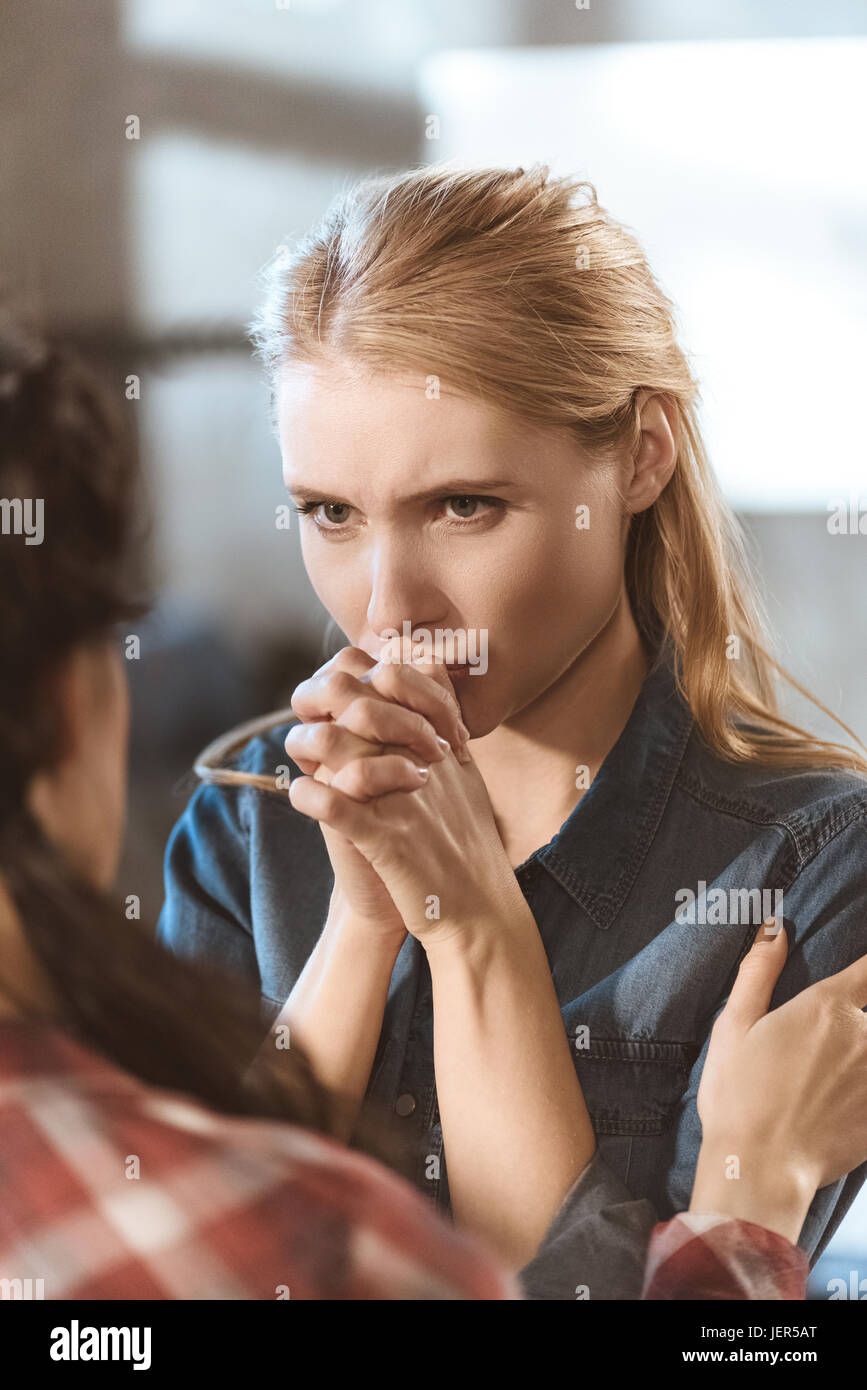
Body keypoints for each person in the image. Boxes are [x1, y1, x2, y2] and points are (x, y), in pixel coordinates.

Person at [3, 313, 847, 1303]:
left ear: (642, 457)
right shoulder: (246, 822)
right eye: (328, 512)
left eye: (461, 505)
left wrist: (473, 922)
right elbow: (209, 1222)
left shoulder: (814, 860)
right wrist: (366, 929)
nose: (388, 603)